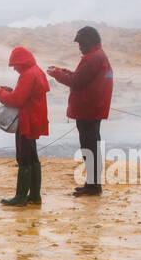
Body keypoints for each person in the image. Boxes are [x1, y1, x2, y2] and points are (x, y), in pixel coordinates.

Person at [48, 26, 114, 198]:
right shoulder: (98, 56)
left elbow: (76, 81)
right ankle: (93, 185)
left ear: (89, 42)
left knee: (89, 148)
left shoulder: (92, 59)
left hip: (88, 109)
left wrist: (57, 74)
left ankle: (93, 187)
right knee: (92, 147)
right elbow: (80, 77)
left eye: (81, 44)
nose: (80, 47)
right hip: (94, 108)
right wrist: (61, 71)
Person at [0, 46, 49, 207]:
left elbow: (17, 100)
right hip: (35, 119)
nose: (15, 69)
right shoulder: (37, 71)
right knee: (32, 156)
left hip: (26, 120)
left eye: (16, 65)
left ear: (22, 62)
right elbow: (25, 95)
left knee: (24, 157)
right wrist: (10, 92)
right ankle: (34, 195)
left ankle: (20, 197)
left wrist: (0, 93)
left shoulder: (28, 74)